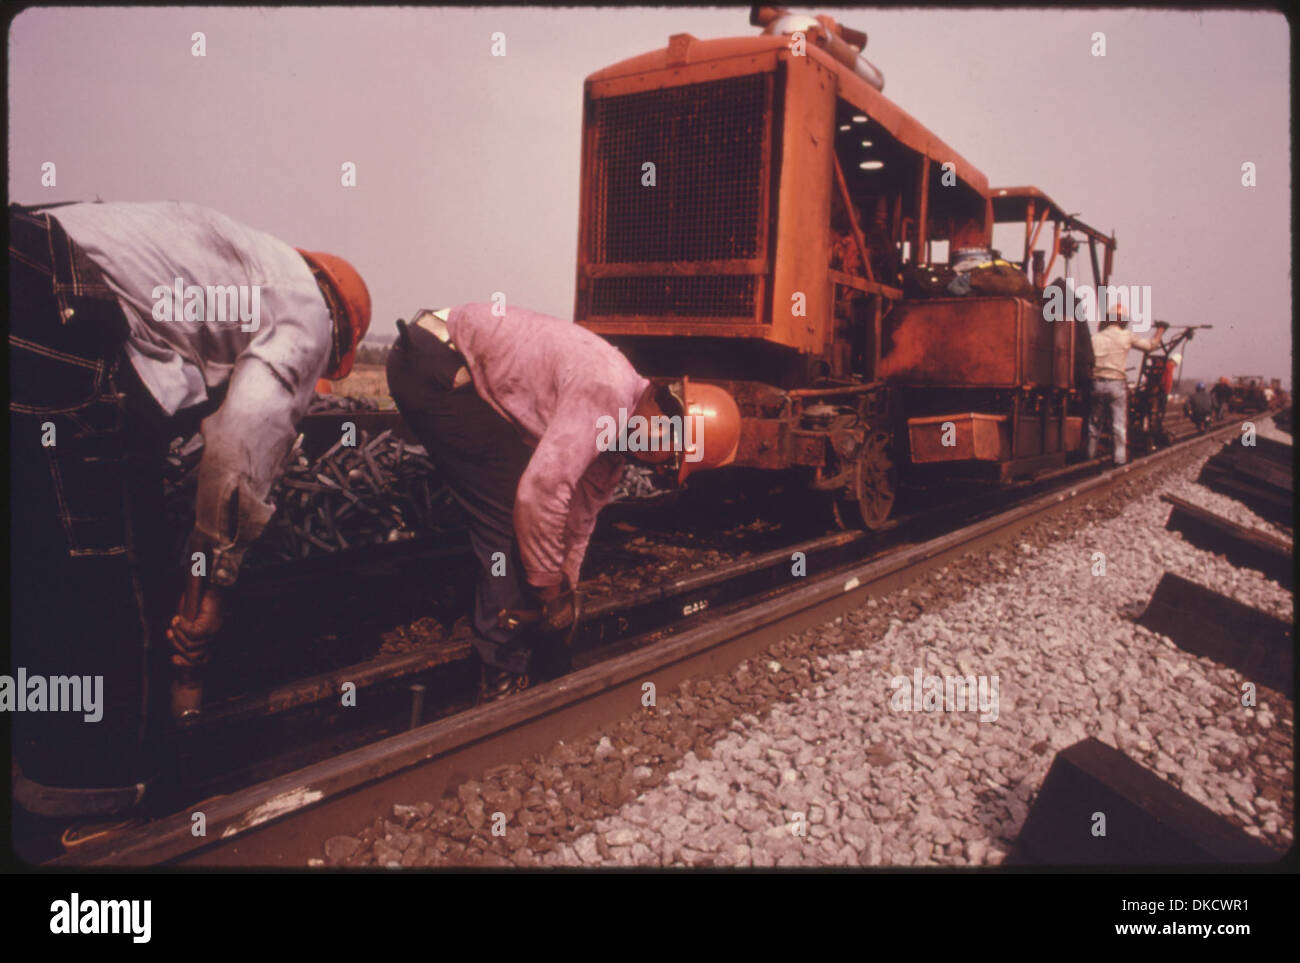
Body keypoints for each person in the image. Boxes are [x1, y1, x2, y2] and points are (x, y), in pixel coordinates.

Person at [8, 200, 369, 811]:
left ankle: (34, 748)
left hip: (29, 262)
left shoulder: (233, 263)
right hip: (56, 307)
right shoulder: (306, 311)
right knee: (109, 580)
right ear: (339, 332)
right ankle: (95, 803)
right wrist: (215, 585)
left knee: (34, 544)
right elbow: (236, 445)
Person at [386, 304, 741, 701]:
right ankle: (502, 673)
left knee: (528, 521)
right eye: (668, 463)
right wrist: (546, 588)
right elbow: (539, 494)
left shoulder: (619, 434)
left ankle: (511, 631)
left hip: (445, 360)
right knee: (512, 516)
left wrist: (566, 591)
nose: (654, 470)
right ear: (665, 425)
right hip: (434, 364)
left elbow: (577, 517)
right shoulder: (606, 395)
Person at [1085, 304, 1167, 465]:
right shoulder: (1126, 336)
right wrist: (1160, 330)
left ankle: (1089, 458)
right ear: (1123, 321)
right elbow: (1150, 346)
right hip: (1116, 385)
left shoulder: (1095, 338)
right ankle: (1119, 460)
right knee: (1118, 425)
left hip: (1097, 384)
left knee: (1094, 425)